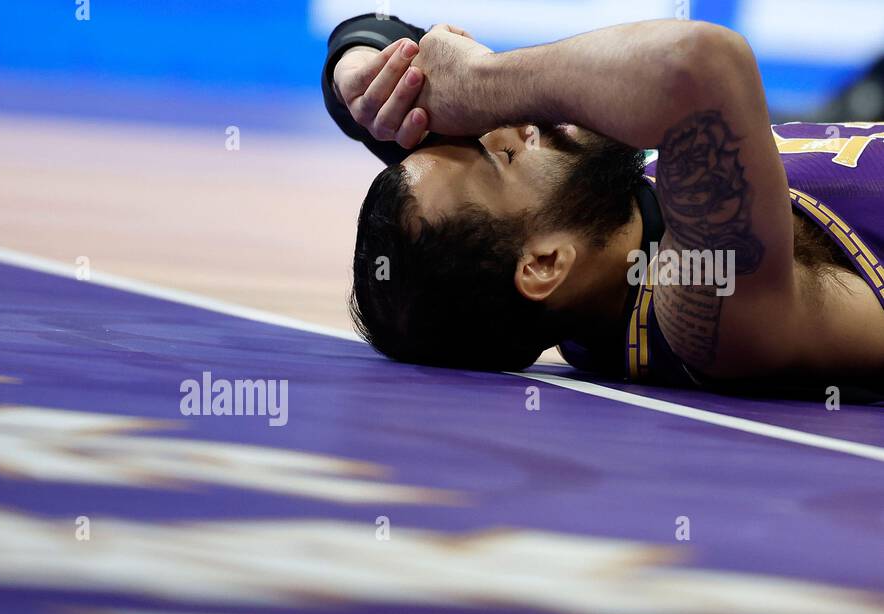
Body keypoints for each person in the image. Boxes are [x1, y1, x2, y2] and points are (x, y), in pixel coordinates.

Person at [322, 14, 884, 397]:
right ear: (544, 263)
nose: (514, 122)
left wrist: (359, 74)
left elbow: (373, 35)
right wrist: (481, 79)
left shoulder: (609, 216)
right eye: (506, 155)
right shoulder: (704, 316)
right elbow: (699, 66)